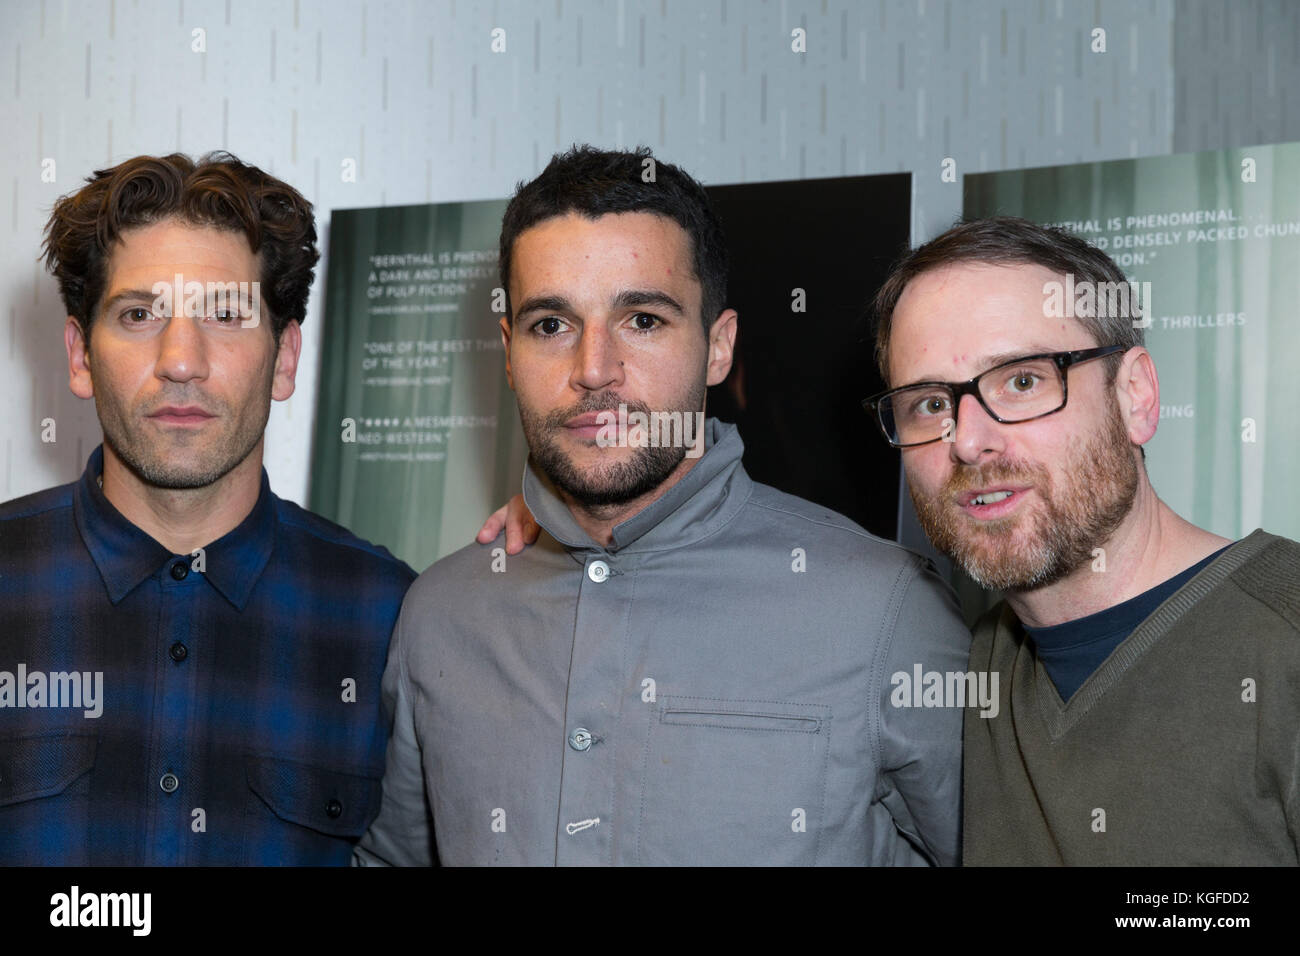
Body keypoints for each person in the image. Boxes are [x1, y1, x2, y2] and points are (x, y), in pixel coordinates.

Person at [356, 145, 971, 866]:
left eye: (642, 320)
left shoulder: (885, 612)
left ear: (718, 348)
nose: (593, 371)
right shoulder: (441, 613)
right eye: (551, 325)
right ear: (509, 350)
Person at [0, 152, 415, 865]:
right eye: (138, 314)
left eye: (226, 315)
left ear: (284, 359)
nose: (181, 359)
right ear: (78, 355)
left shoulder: (393, 618)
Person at [864, 215, 1300, 865]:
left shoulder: (1282, 640)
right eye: (929, 403)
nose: (969, 440)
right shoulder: (983, 661)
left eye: (1022, 380)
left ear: (1135, 397)